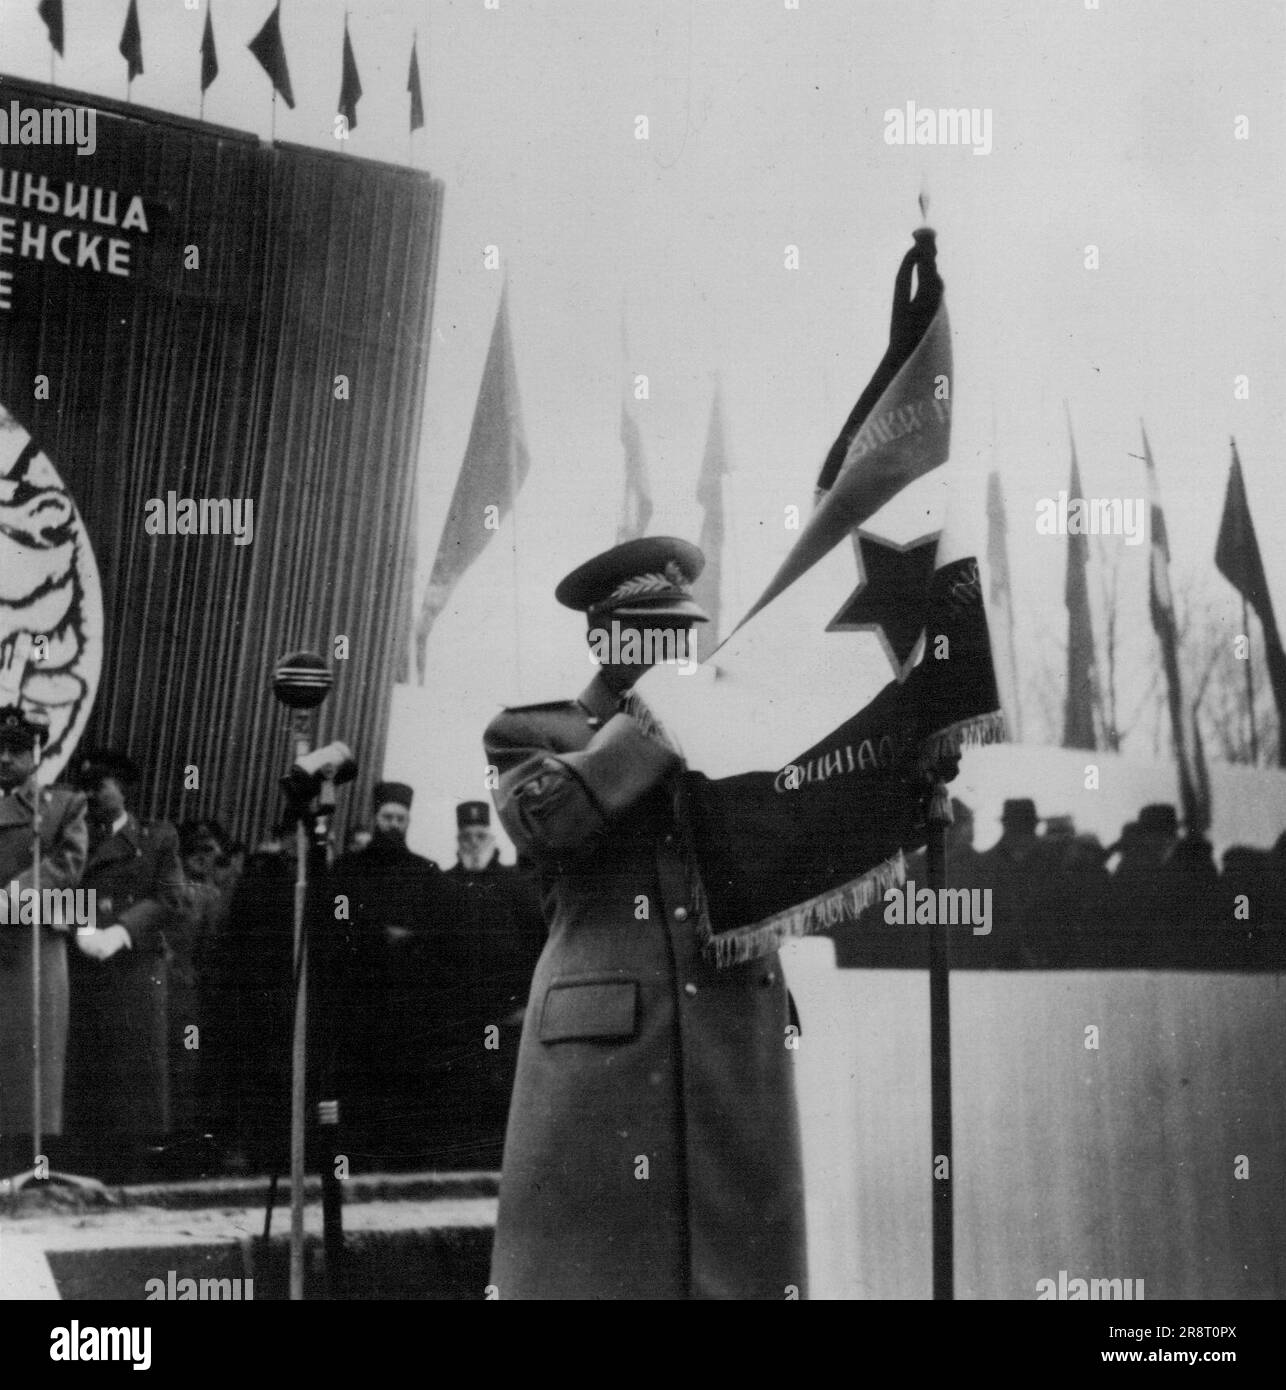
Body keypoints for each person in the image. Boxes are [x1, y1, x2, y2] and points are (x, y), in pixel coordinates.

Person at [484, 536, 807, 1300]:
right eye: (655, 631)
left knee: (740, 1272)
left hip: (734, 1029)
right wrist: (656, 723)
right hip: (609, 1048)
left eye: (684, 629)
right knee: (599, 1275)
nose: (678, 647)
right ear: (603, 637)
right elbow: (547, 824)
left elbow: (810, 828)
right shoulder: (534, 732)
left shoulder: (739, 727)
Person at [63, 750, 186, 1181]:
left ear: (124, 788)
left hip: (134, 969)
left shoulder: (156, 837)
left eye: (102, 784)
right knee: (85, 1070)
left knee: (131, 1075)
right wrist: (80, 925)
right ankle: (84, 1167)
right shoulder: (74, 837)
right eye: (86, 786)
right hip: (83, 965)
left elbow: (172, 897)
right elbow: (61, 881)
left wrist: (121, 931)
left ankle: (132, 1172)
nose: (92, 794)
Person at [329, 782, 458, 1163]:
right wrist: (375, 935)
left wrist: (412, 938)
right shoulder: (346, 870)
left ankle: (399, 1154)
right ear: (375, 818)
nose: (394, 824)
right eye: (388, 817)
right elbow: (336, 918)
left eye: (401, 818)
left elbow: (444, 929)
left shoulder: (426, 871)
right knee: (358, 1078)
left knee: (402, 1078)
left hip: (407, 998)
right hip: (359, 994)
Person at [0, 706, 88, 1175]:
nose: (4, 758)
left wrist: (14, 894)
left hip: (29, 947)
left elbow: (67, 864)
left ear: (38, 752)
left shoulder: (62, 806)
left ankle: (27, 1164)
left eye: (15, 749)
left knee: (29, 1060)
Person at [439, 800, 546, 1165]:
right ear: (458, 838)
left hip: (509, 1012)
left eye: (480, 835)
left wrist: (528, 1006)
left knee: (504, 1090)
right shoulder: (445, 884)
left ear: (491, 837)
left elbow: (539, 945)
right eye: (466, 835)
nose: (473, 842)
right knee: (462, 1090)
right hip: (460, 1016)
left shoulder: (516, 884)